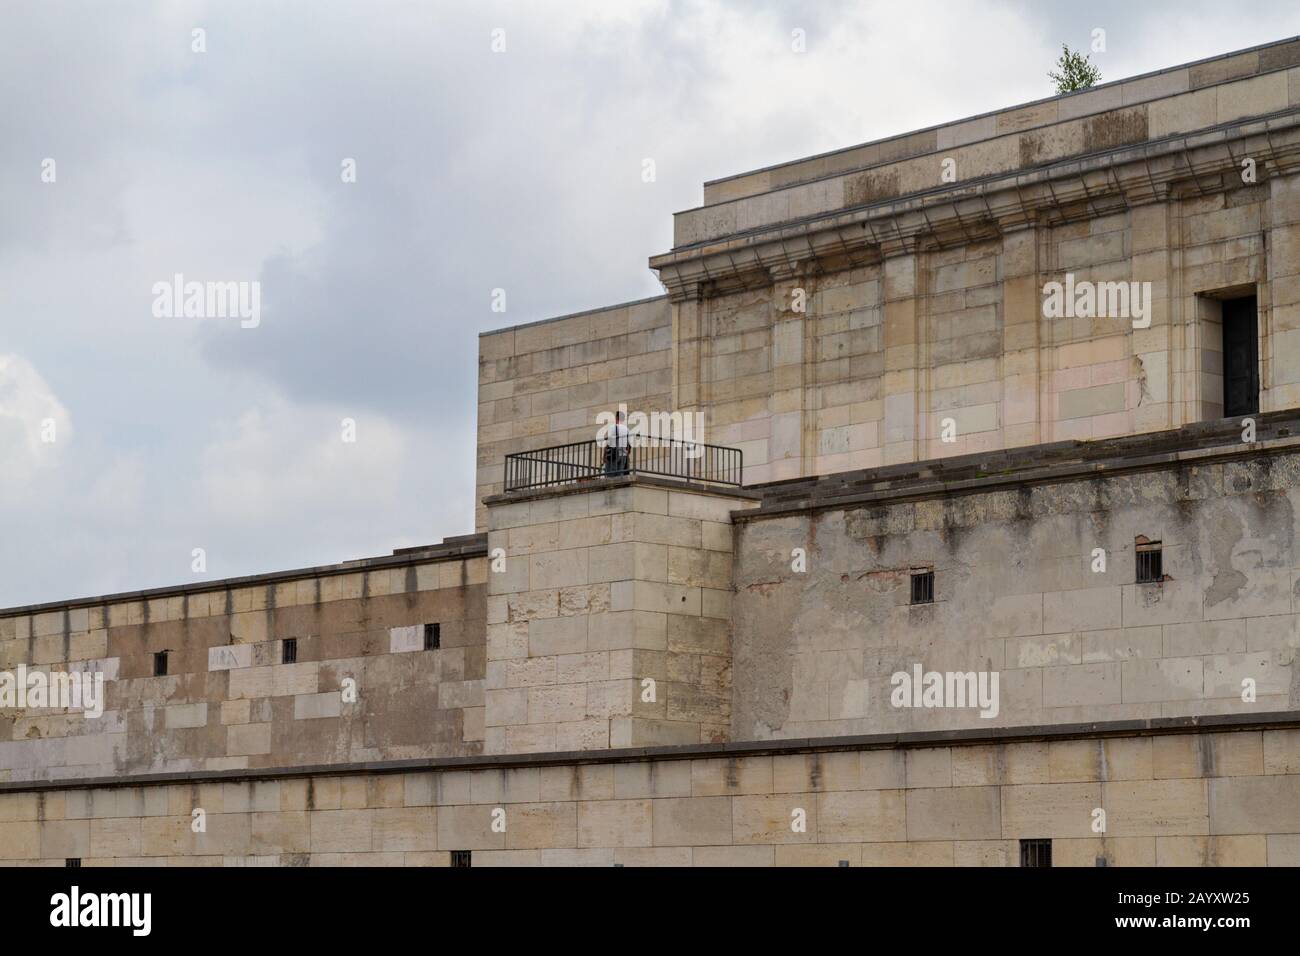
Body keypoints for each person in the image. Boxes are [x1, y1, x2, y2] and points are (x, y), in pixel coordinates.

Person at [604, 410, 630, 476]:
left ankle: (611, 486)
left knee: (610, 473)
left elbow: (609, 443)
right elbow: (628, 444)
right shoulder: (626, 429)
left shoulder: (612, 427)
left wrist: (604, 454)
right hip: (623, 455)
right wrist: (627, 455)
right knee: (620, 474)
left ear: (617, 417)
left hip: (614, 454)